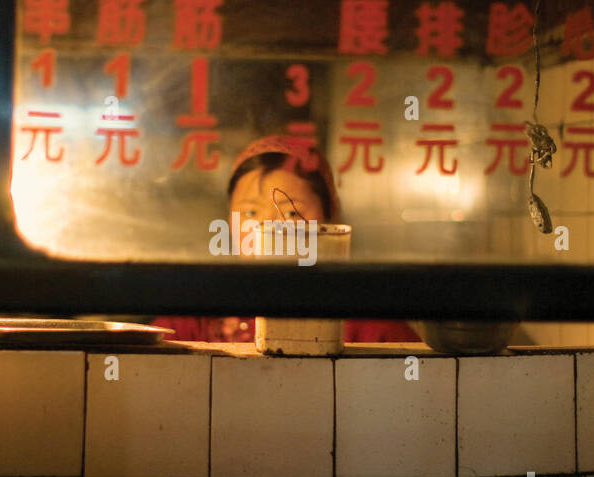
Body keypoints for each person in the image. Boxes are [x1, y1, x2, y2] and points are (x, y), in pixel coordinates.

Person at [153, 134, 419, 343]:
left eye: (291, 212)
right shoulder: (196, 317)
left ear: (328, 216)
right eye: (250, 213)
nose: (268, 228)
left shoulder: (365, 321)